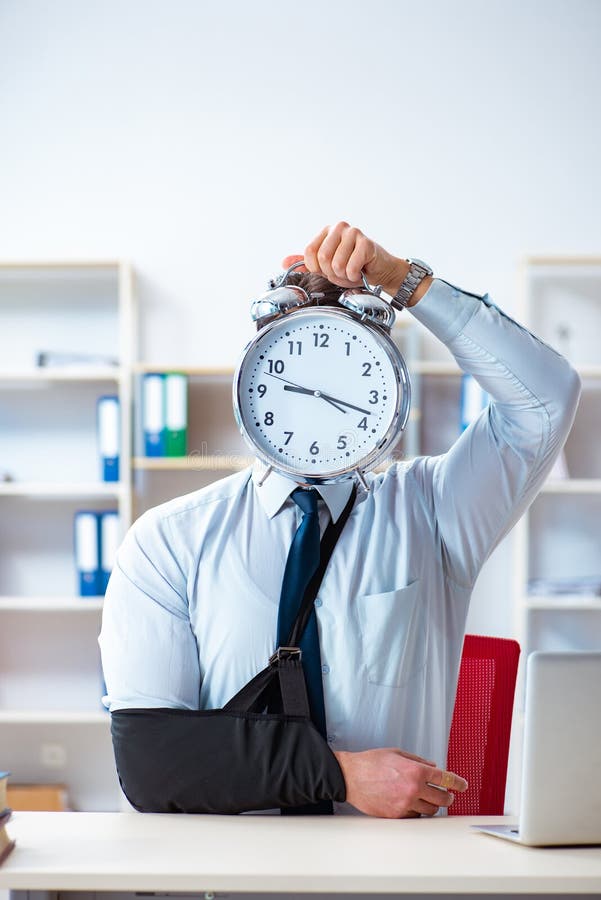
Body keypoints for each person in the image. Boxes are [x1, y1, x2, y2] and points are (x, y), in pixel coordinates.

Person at [99, 221, 581, 819]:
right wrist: (339, 775)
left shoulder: (433, 509)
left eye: (350, 378)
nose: (321, 400)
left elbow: (546, 398)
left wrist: (402, 280)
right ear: (256, 377)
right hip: (230, 864)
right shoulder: (169, 541)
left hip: (392, 865)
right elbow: (151, 760)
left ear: (386, 390)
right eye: (297, 377)